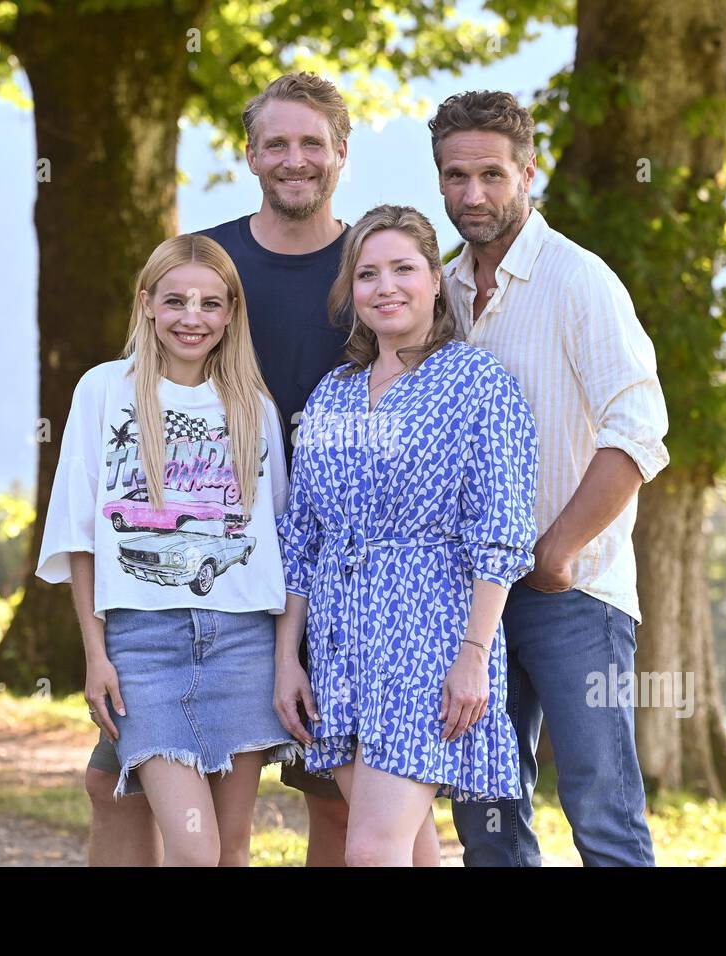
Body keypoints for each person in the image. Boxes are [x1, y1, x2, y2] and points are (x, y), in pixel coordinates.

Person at [81, 72, 440, 866]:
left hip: (329, 571)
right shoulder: (211, 264)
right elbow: (140, 403)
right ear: (250, 155)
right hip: (188, 587)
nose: (295, 159)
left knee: (343, 799)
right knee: (115, 785)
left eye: (313, 143)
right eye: (276, 143)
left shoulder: (371, 270)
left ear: (341, 153)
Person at [431, 90, 671, 867]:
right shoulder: (439, 290)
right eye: (456, 176)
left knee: (601, 811)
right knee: (487, 816)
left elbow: (638, 430)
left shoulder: (579, 282)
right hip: (473, 599)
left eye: (492, 175)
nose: (474, 195)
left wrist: (558, 550)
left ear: (528, 172)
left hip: (575, 596)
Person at [274, 204, 540, 866]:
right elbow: (302, 537)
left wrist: (474, 654)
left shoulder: (478, 384)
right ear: (350, 290)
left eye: (403, 268)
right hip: (338, 650)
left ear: (434, 279)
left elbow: (501, 533)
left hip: (429, 641)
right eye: (367, 274)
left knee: (369, 850)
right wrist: (287, 660)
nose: (385, 286)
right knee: (407, 850)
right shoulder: (332, 394)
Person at [35, 233, 299, 866]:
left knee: (232, 847)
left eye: (210, 303)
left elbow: (284, 547)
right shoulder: (103, 391)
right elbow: (80, 535)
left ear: (230, 312)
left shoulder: (254, 410)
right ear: (147, 304)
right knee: (194, 846)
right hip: (143, 649)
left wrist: (288, 658)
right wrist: (95, 653)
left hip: (243, 646)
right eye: (176, 300)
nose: (192, 318)